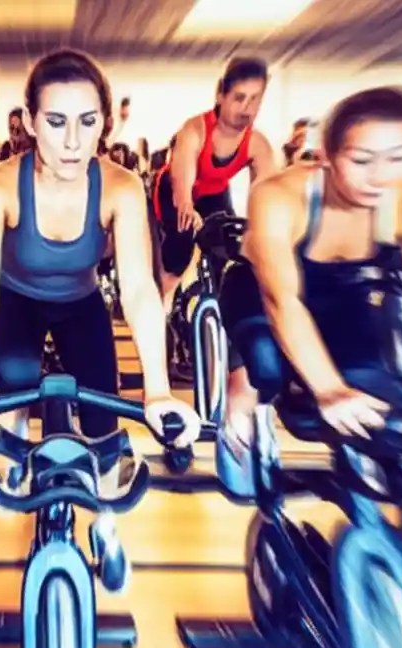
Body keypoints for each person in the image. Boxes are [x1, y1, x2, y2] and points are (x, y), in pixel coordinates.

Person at [0, 49, 201, 448]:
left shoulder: (120, 187)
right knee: (14, 388)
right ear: (31, 123)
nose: (73, 142)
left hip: (81, 304)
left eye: (87, 122)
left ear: (104, 124)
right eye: (56, 122)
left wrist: (158, 391)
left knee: (102, 415)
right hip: (15, 303)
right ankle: (15, 433)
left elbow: (140, 290)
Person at [224, 86, 402, 444]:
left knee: (371, 376)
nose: (380, 177)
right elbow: (283, 300)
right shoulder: (279, 195)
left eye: (398, 159)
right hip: (261, 290)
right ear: (325, 154)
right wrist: (329, 389)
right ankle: (239, 407)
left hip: (345, 289)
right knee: (263, 370)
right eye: (361, 160)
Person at [152, 57, 277, 447]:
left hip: (215, 198)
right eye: (239, 97)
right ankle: (163, 304)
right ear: (220, 96)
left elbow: (269, 192)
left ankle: (223, 335)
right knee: (176, 256)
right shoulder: (195, 130)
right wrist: (185, 210)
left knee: (232, 255)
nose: (247, 108)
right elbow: (182, 182)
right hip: (174, 196)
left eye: (255, 99)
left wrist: (265, 229)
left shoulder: (257, 143)